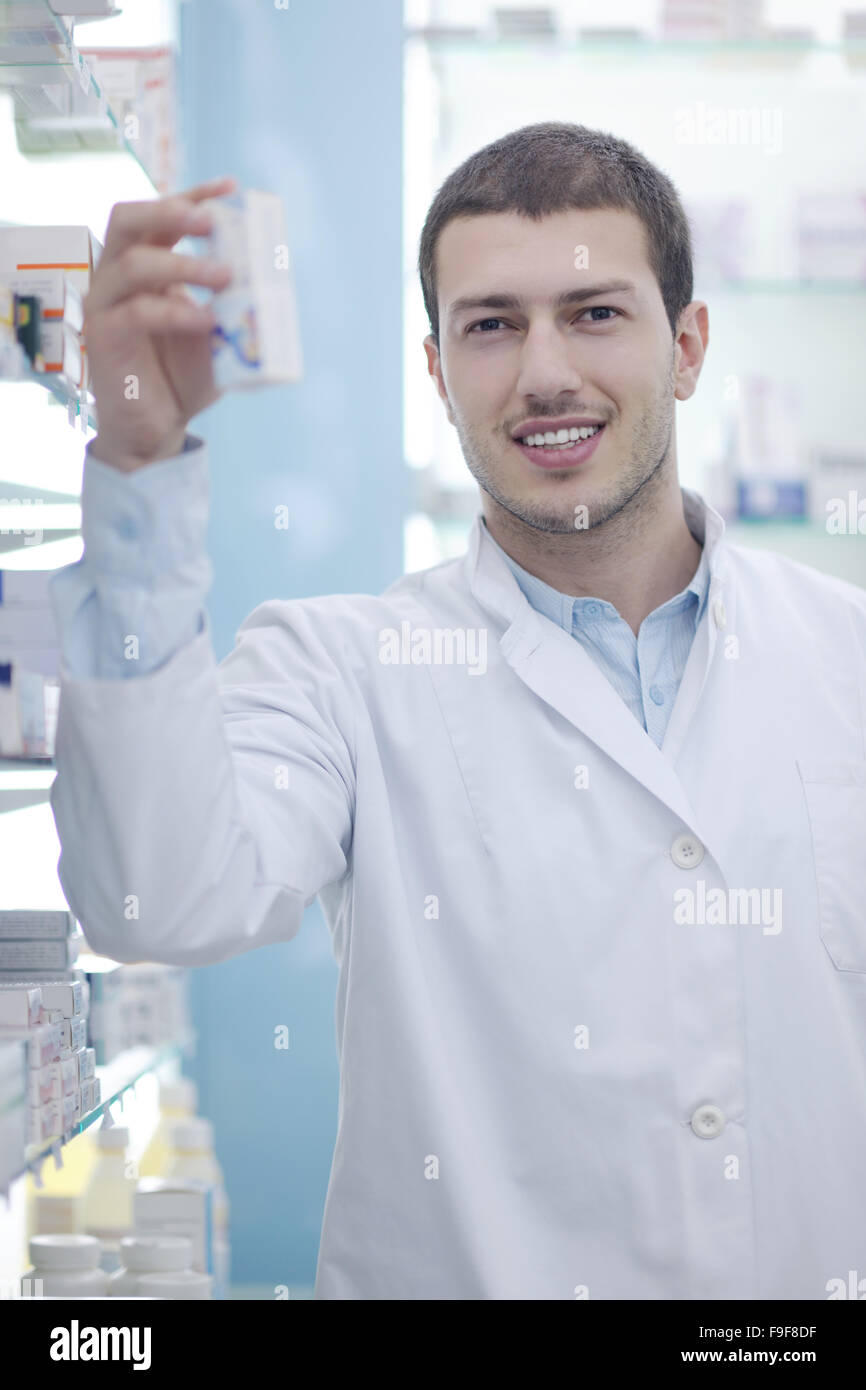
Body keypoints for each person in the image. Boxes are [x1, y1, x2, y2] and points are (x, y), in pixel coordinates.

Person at [49, 123, 866, 1301]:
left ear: (685, 347)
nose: (543, 372)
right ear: (436, 373)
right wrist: (138, 465)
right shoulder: (341, 670)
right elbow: (152, 896)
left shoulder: (843, 653)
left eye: (593, 313)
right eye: (491, 324)